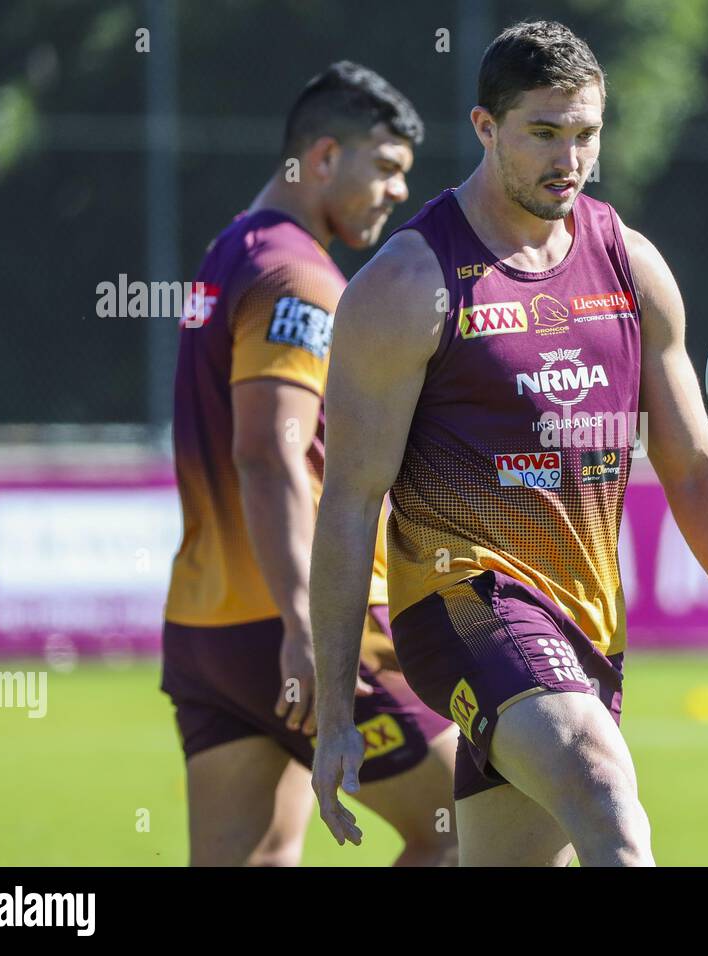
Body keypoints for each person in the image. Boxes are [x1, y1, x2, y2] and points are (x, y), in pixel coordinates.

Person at [309, 21, 708, 867]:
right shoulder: (408, 283)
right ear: (485, 128)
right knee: (606, 793)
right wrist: (332, 717)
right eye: (543, 132)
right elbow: (352, 499)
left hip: (587, 626)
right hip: (461, 602)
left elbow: (693, 468)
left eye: (585, 134)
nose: (568, 158)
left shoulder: (632, 265)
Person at [161, 61, 457, 867]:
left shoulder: (231, 254)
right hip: (301, 627)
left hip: (208, 633)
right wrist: (304, 625)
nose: (398, 192)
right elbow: (266, 452)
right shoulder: (298, 277)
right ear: (324, 157)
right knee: (480, 830)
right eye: (387, 168)